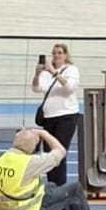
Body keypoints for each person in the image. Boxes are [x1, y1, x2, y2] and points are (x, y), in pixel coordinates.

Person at [30, 42, 81, 187]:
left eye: (60, 53)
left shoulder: (71, 69)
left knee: (59, 150)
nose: (56, 55)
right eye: (54, 53)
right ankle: (52, 184)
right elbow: (36, 88)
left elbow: (70, 87)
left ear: (65, 55)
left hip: (66, 116)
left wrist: (54, 72)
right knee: (48, 154)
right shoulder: (46, 73)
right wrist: (37, 73)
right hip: (49, 117)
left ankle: (60, 186)